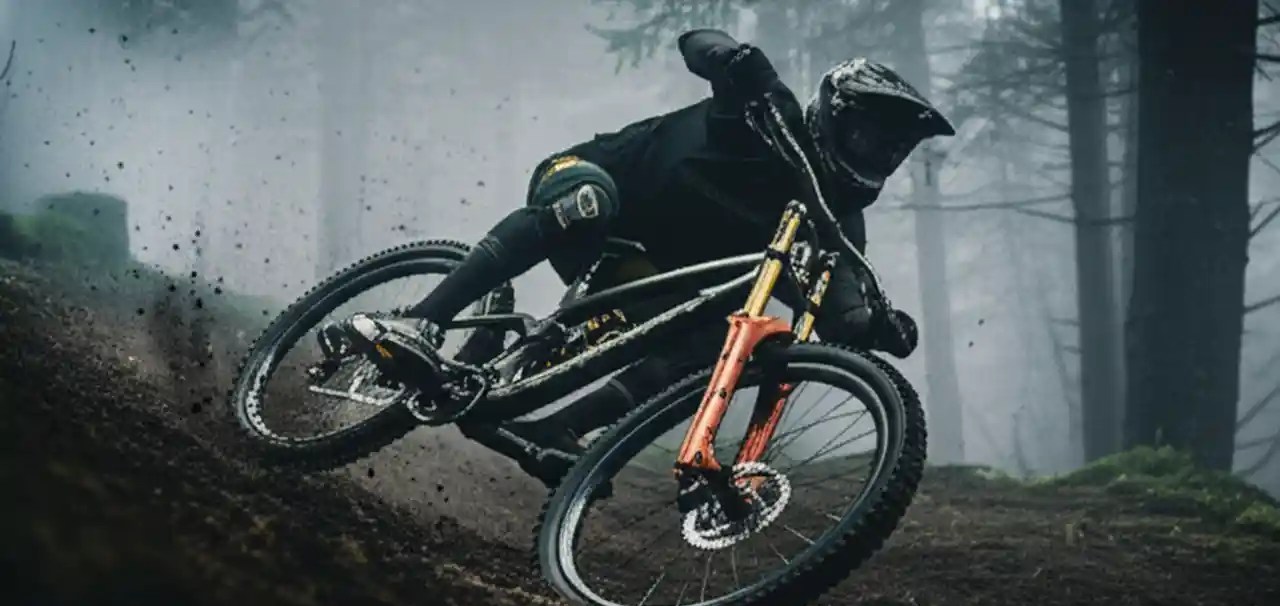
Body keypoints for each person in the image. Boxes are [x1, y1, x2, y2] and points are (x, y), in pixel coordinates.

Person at [330, 28, 955, 481]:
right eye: (874, 135)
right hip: (592, 186)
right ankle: (421, 321)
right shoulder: (772, 117)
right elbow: (694, 42)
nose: (880, 154)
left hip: (647, 275)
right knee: (589, 201)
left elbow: (841, 311)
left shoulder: (836, 219)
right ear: (837, 116)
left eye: (893, 148)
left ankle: (560, 430)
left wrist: (881, 329)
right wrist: (731, 58)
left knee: (717, 335)